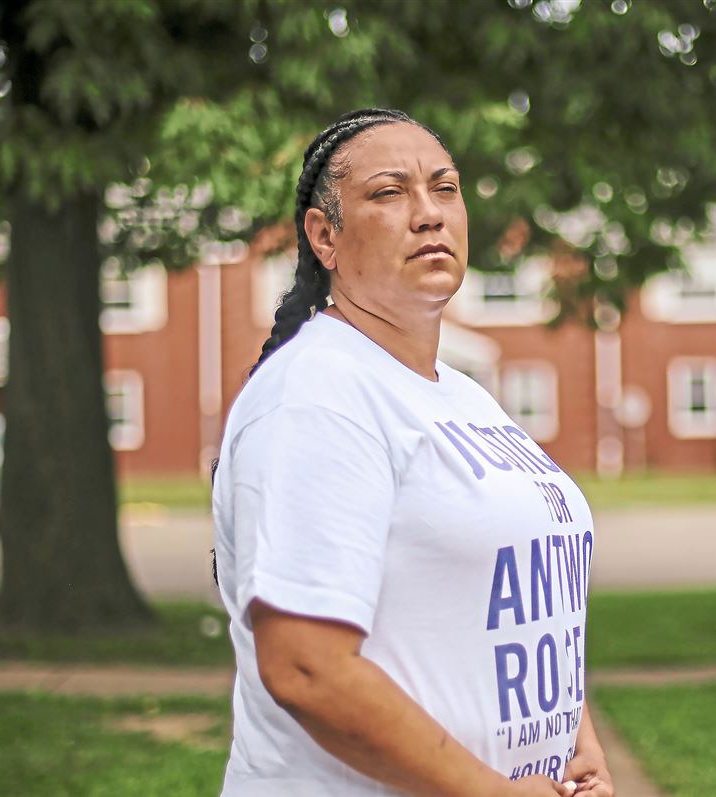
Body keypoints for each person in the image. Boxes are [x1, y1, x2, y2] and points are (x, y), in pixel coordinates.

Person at [211, 108, 615, 797]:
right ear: (324, 236)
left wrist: (579, 744)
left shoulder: (459, 395)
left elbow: (503, 606)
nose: (429, 214)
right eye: (390, 193)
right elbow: (306, 666)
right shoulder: (320, 394)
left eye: (445, 188)